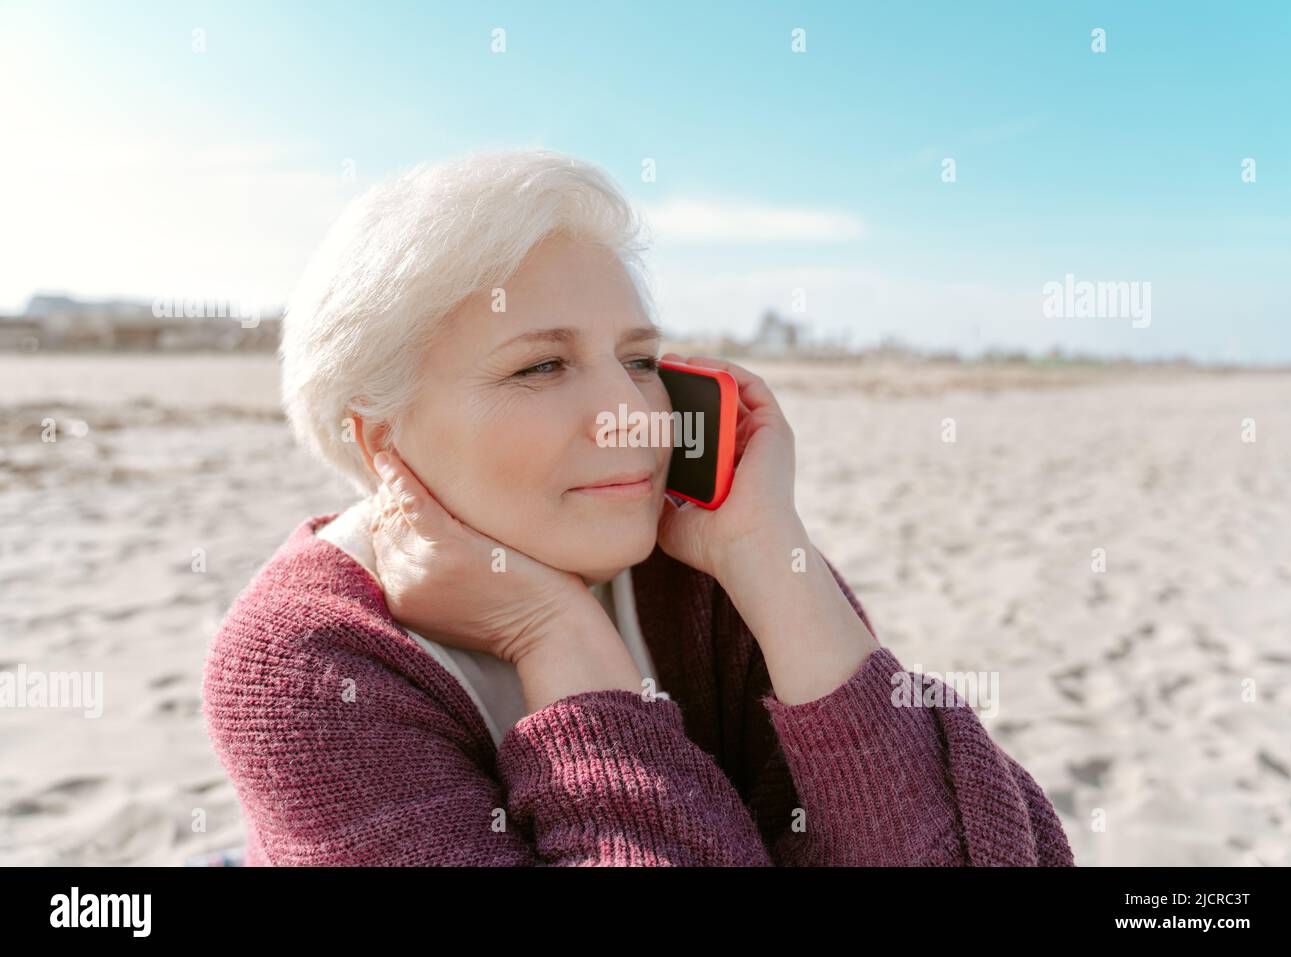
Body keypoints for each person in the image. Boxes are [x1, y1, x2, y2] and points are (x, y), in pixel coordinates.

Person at [201, 147, 1074, 866]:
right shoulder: (304, 666)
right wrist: (556, 639)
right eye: (540, 366)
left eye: (641, 359)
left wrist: (771, 553)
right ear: (380, 441)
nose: (629, 417)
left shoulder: (715, 572)